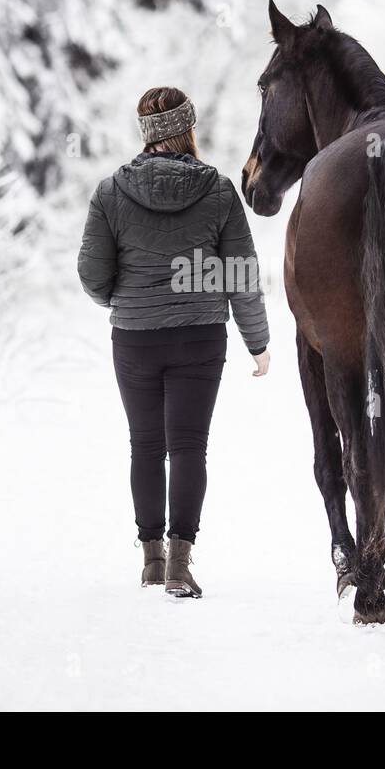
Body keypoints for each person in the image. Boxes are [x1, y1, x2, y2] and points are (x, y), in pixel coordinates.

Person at [78, 86, 270, 598]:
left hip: (135, 339)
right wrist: (258, 341)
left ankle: (150, 561)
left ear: (146, 134)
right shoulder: (221, 191)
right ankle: (180, 565)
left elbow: (92, 274)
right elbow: (241, 275)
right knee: (188, 447)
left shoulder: (110, 193)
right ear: (189, 129)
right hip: (200, 338)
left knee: (145, 445)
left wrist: (122, 300)